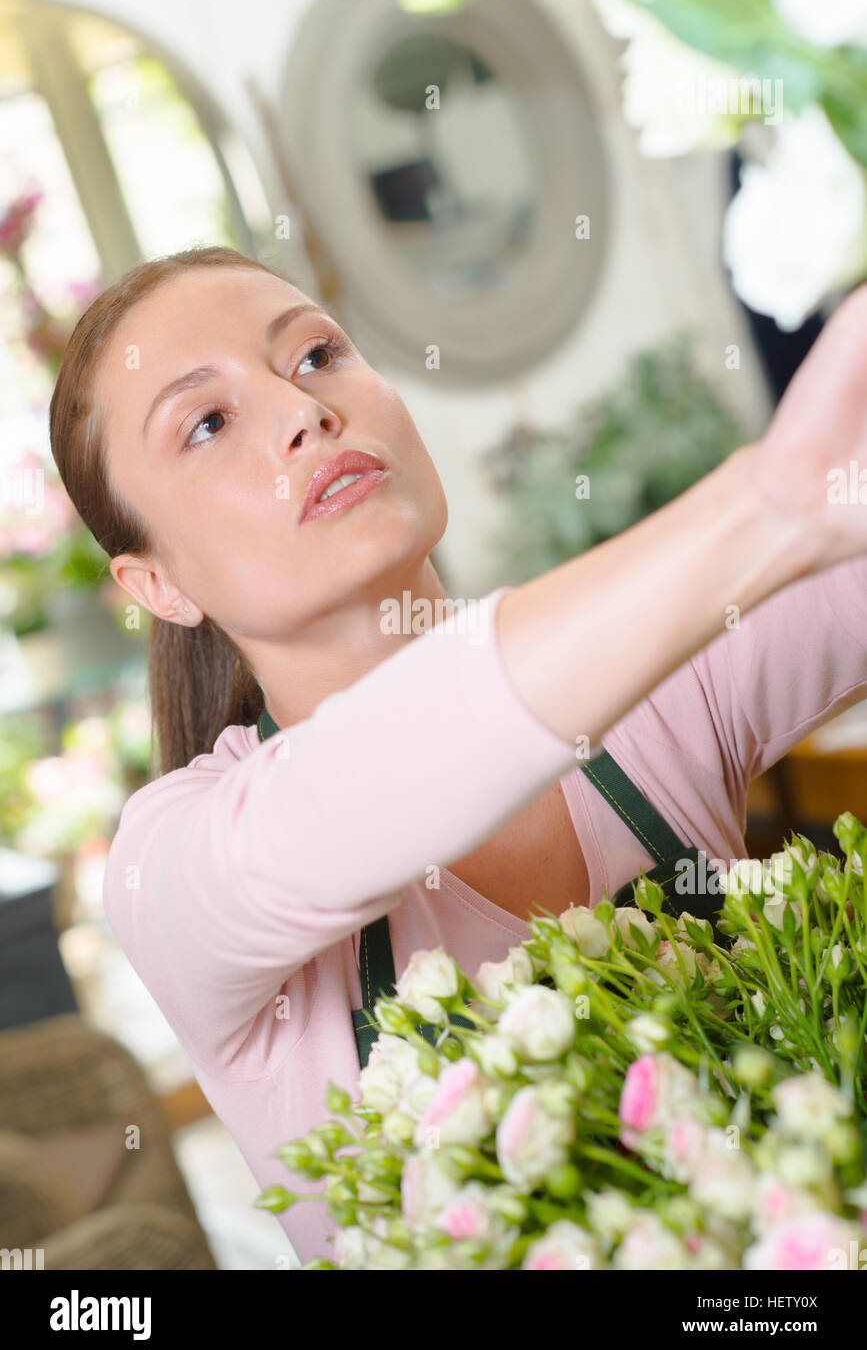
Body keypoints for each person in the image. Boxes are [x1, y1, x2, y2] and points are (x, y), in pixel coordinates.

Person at [49, 245, 867, 1265]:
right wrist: (769, 507)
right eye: (206, 422)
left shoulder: (651, 679)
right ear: (155, 584)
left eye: (313, 356)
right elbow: (370, 781)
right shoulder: (170, 867)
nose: (303, 410)